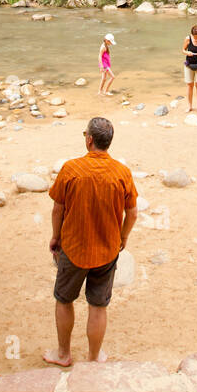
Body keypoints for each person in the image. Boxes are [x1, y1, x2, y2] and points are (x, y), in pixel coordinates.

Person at [44, 117, 138, 367]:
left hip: (73, 247)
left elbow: (57, 209)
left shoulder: (71, 169)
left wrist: (55, 236)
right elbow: (133, 212)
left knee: (64, 299)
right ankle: (94, 357)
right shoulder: (122, 172)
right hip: (107, 249)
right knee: (98, 305)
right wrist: (123, 236)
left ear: (89, 140)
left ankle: (63, 354)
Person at [98, 33, 117, 97]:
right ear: (106, 40)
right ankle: (106, 91)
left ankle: (100, 91)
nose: (111, 43)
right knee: (112, 77)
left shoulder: (105, 45)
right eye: (110, 42)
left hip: (105, 64)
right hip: (104, 65)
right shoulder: (103, 47)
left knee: (104, 78)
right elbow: (99, 56)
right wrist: (101, 67)